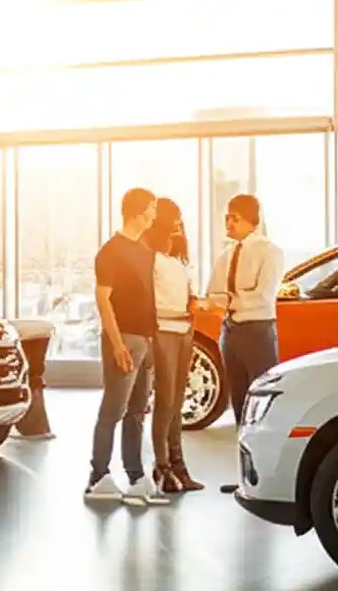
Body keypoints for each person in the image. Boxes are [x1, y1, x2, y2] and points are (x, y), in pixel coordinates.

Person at [84, 188, 168, 506]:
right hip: (124, 339)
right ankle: (98, 476)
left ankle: (135, 475)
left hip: (145, 340)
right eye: (150, 209)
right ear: (135, 212)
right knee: (113, 410)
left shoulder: (144, 251)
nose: (153, 215)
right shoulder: (110, 252)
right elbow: (103, 300)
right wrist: (117, 344)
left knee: (136, 413)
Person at [203, 193, 285, 494]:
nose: (228, 222)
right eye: (227, 216)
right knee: (238, 402)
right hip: (231, 331)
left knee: (263, 404)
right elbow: (212, 294)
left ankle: (270, 477)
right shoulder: (224, 256)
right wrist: (226, 303)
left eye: (234, 217)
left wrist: (226, 301)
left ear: (252, 220)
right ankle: (245, 478)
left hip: (258, 331)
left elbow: (263, 295)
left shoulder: (270, 252)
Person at [143, 198, 205, 493]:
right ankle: (162, 467)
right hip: (164, 331)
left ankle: (179, 465)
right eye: (175, 216)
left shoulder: (179, 258)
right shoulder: (150, 257)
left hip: (185, 331)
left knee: (177, 402)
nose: (179, 222)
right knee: (165, 402)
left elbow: (189, 293)